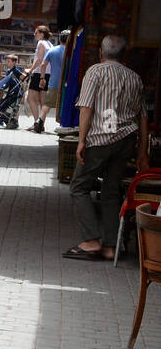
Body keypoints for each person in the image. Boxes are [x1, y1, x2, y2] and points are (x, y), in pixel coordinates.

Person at [64, 35, 144, 261]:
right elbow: (142, 117)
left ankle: (91, 240)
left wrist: (81, 141)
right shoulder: (134, 78)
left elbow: (86, 107)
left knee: (79, 187)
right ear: (124, 55)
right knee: (110, 191)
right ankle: (111, 247)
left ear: (101, 53)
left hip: (101, 139)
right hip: (126, 140)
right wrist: (142, 153)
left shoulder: (95, 72)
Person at [39, 29, 70, 128]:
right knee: (66, 105)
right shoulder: (72, 52)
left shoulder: (52, 50)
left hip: (54, 82)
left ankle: (40, 121)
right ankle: (64, 125)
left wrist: (42, 78)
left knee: (47, 104)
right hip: (67, 83)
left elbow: (43, 65)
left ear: (60, 39)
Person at [26, 24, 55, 133]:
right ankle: (41, 123)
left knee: (31, 98)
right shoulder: (50, 44)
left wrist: (31, 69)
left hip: (39, 73)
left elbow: (39, 59)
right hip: (47, 74)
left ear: (42, 34)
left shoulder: (41, 43)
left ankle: (36, 122)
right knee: (43, 100)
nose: (34, 35)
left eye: (36, 33)